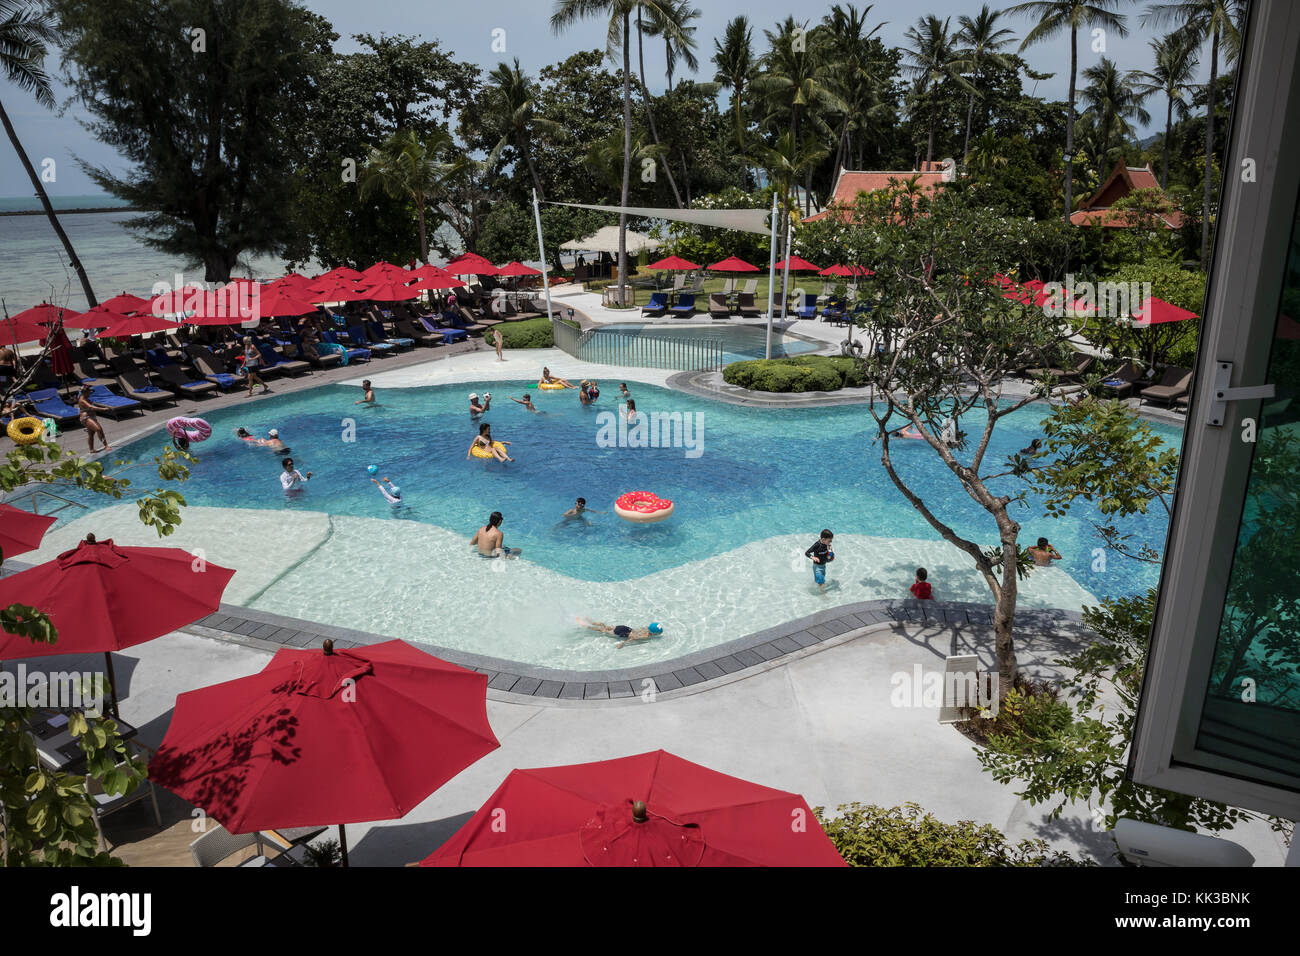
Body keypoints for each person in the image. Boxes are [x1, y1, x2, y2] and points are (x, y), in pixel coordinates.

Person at [577, 617, 664, 650]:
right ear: (653, 633)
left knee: (605, 626)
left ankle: (590, 621)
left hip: (624, 627)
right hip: (624, 633)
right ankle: (585, 625)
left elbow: (636, 631)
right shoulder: (645, 636)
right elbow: (633, 638)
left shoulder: (646, 628)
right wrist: (622, 644)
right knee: (602, 630)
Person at [76, 386, 112, 453]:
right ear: (85, 392)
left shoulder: (86, 398)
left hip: (92, 416)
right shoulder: (82, 400)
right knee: (98, 429)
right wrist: (103, 409)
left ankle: (91, 449)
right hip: (86, 418)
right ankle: (106, 445)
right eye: (89, 392)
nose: (90, 393)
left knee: (91, 433)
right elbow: (91, 407)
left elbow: (91, 405)